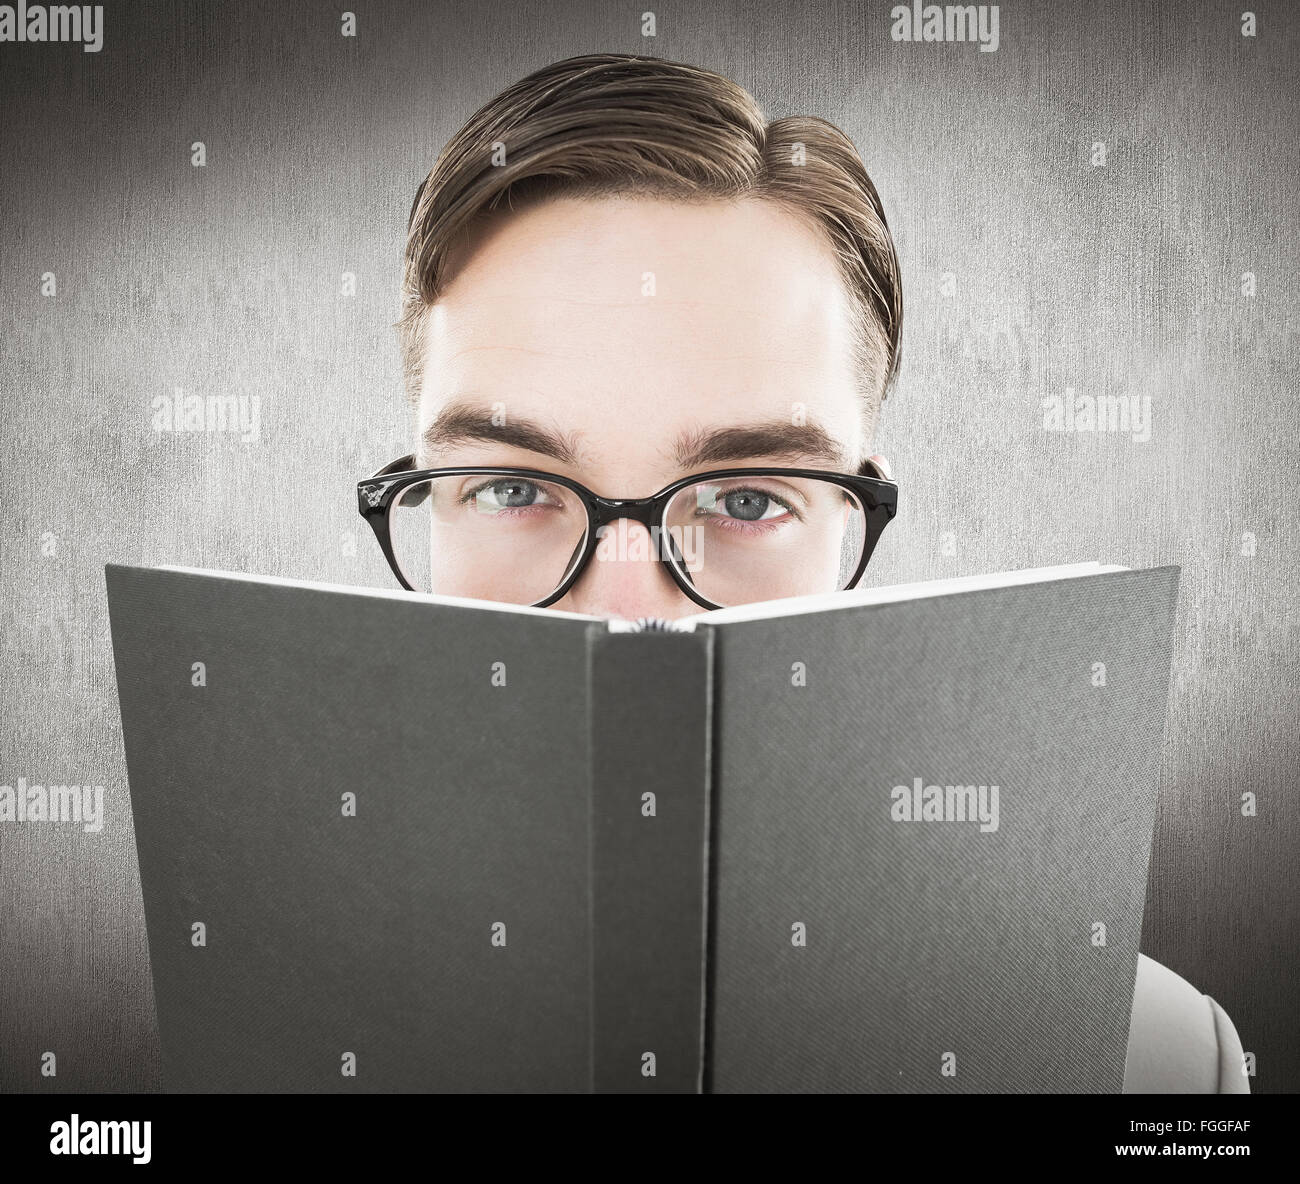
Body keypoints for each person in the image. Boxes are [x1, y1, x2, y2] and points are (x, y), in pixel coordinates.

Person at [366, 51, 1248, 1093]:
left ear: (849, 522)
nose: (621, 615)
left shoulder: (1154, 1064)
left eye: (744, 500)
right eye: (514, 490)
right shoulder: (257, 1002)